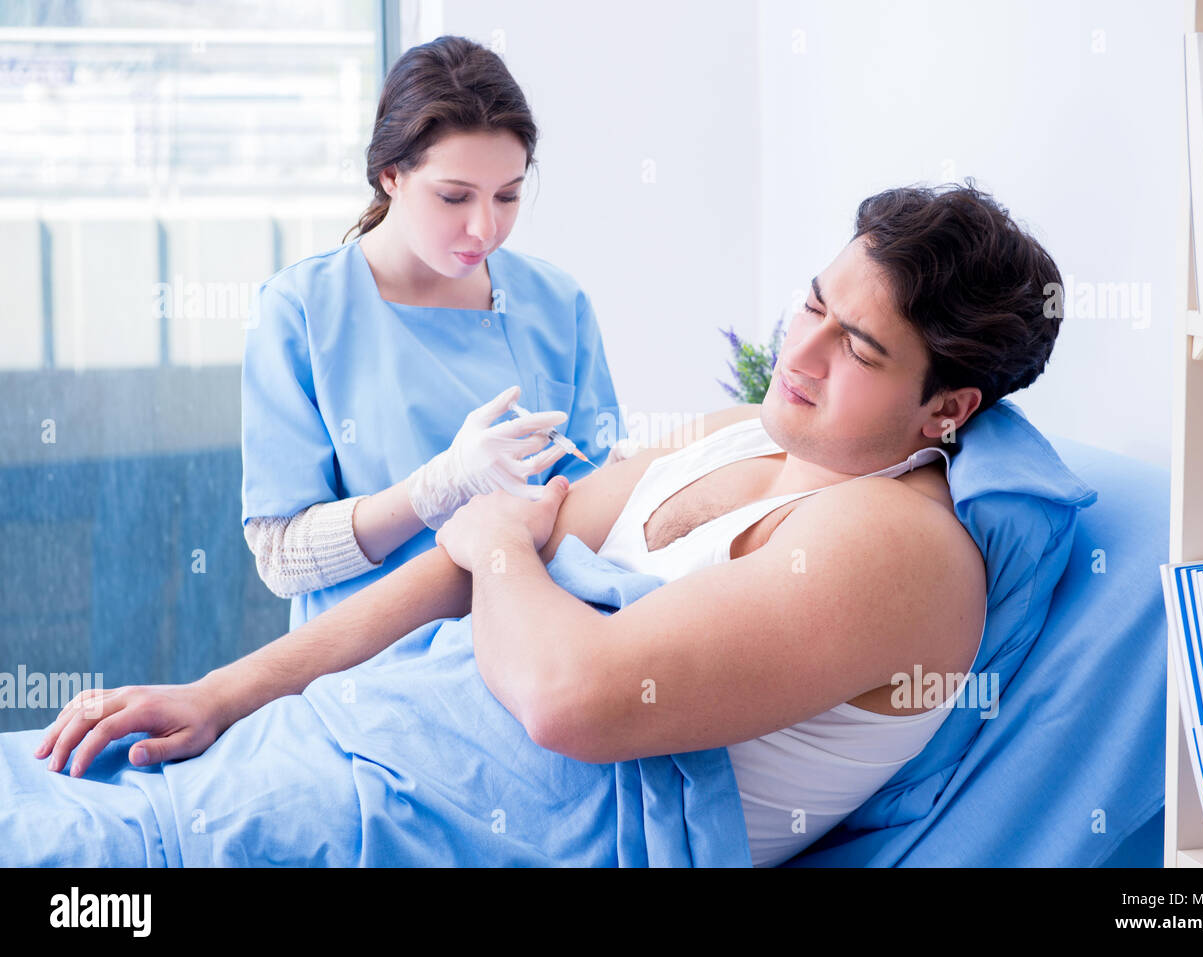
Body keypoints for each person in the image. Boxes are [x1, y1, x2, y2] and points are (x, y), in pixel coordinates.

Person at [28, 182, 1063, 867]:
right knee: (82, 773)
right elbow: (466, 557)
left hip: (511, 820)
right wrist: (223, 693)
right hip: (386, 733)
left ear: (946, 409)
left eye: (860, 351)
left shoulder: (896, 547)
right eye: (812, 306)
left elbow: (573, 697)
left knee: (99, 858)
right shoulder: (736, 436)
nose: (800, 353)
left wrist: (495, 550)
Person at [241, 35, 624, 631]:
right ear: (391, 174)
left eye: (508, 196)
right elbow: (283, 557)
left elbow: (601, 504)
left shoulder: (557, 304)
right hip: (368, 660)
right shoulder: (302, 311)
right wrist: (435, 489)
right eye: (454, 197)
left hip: (528, 642)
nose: (484, 227)